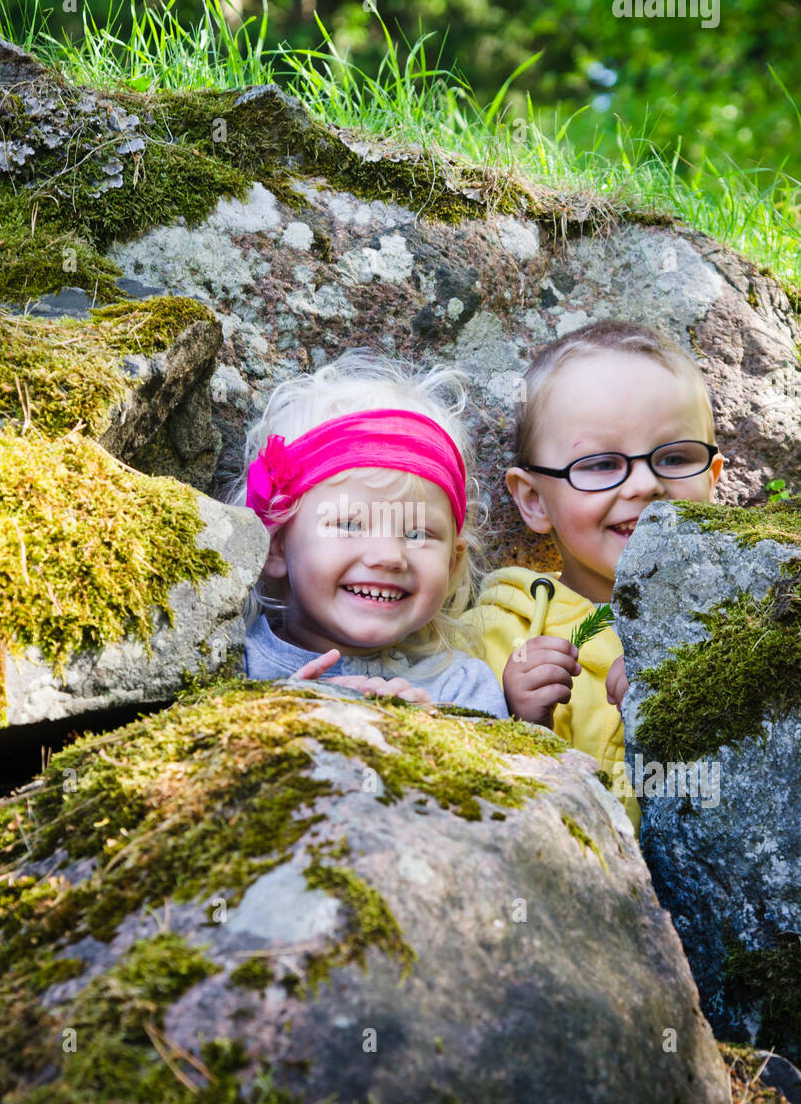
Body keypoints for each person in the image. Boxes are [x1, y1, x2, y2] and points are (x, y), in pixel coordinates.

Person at [462, 322, 724, 830]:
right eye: (602, 464)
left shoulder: (751, 625)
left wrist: (674, 724)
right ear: (534, 500)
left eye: (674, 458)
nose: (647, 484)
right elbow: (466, 793)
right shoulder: (500, 632)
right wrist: (521, 721)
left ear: (713, 479)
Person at [233, 350, 509, 717]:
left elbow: (499, 773)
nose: (389, 556)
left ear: (453, 561)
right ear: (276, 545)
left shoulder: (463, 687)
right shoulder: (232, 664)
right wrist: (281, 715)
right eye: (349, 525)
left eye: (417, 533)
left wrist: (437, 735)